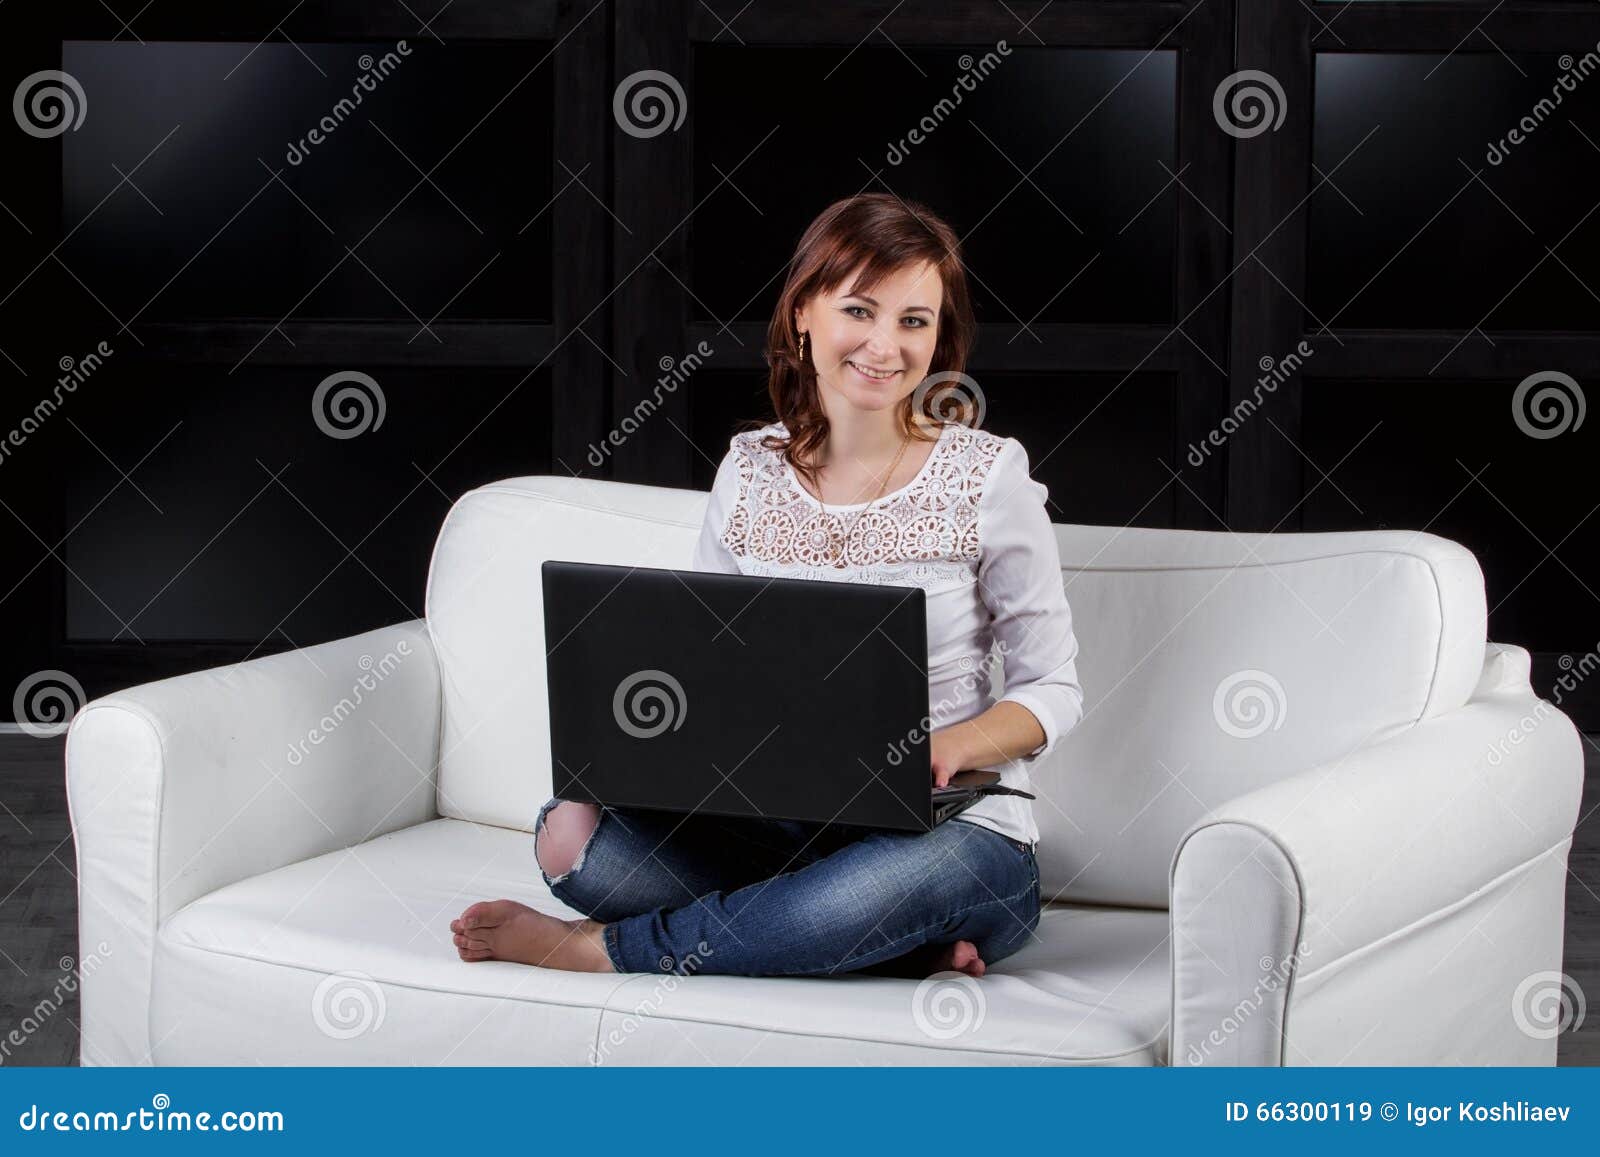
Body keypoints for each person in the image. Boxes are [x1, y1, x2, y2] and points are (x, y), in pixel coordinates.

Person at [452, 193, 1083, 979]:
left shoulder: (990, 474)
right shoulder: (749, 469)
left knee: (918, 878)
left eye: (914, 321)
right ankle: (878, 944)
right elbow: (703, 662)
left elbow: (1053, 688)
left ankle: (608, 950)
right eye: (860, 309)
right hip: (777, 831)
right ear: (803, 318)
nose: (886, 346)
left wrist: (944, 747)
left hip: (951, 836)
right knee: (572, 840)